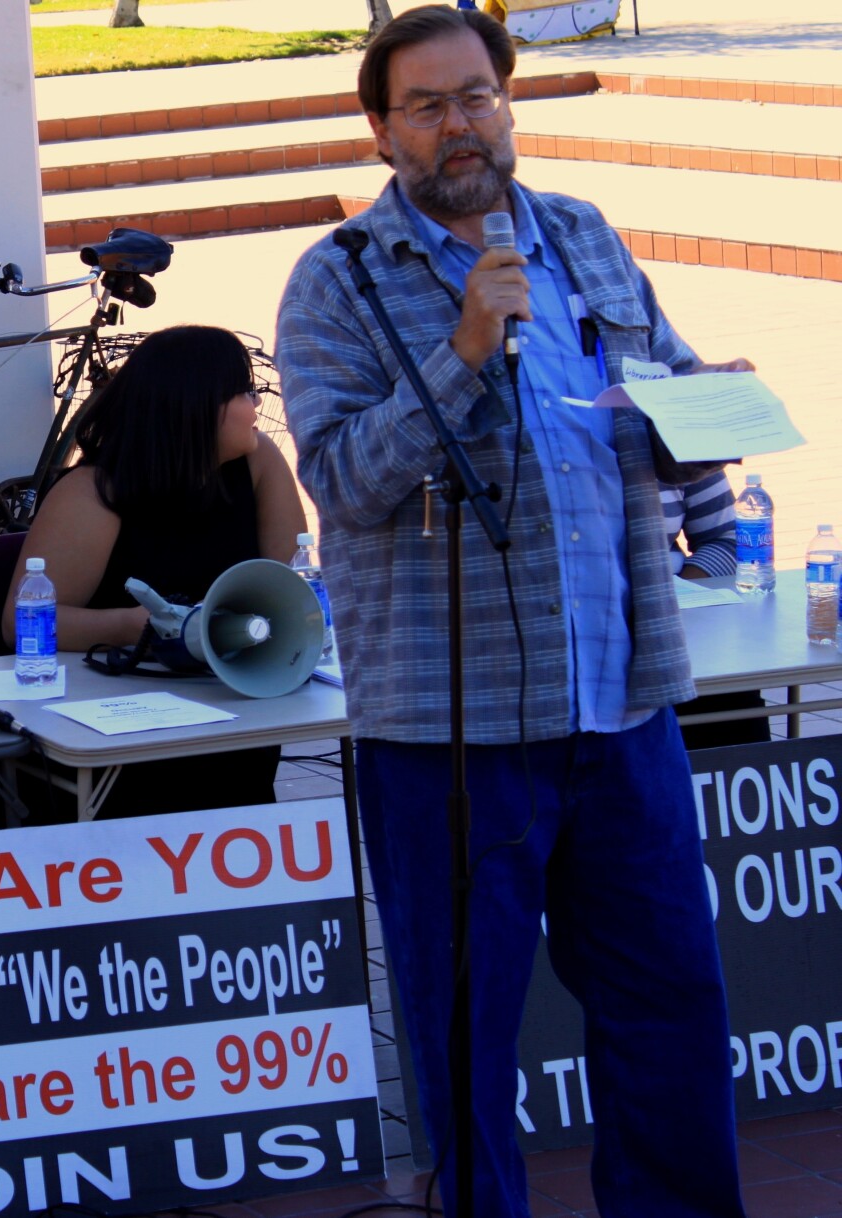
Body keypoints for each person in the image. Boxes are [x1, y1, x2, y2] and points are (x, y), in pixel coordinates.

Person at [275, 7, 750, 1215]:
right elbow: (338, 481)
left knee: (670, 1008)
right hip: (451, 731)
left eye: (476, 97)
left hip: (618, 703)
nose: (459, 126)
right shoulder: (338, 282)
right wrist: (464, 348)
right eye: (427, 107)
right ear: (380, 132)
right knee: (463, 1038)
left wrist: (719, 444)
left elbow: (659, 394)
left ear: (507, 103)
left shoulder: (583, 238)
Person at [2, 325, 307, 815]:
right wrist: (143, 628)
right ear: (197, 406)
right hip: (102, 727)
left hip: (218, 701)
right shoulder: (93, 493)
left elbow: (291, 584)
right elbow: (22, 622)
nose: (258, 403)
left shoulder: (257, 460)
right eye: (245, 391)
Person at [665, 470, 770, 750]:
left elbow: (727, 539)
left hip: (679, 621)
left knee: (735, 692)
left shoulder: (673, 431)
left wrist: (679, 595)